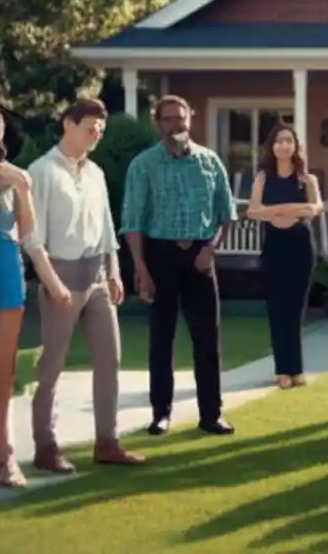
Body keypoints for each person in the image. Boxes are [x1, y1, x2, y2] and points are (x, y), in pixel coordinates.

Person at [24, 99, 146, 474]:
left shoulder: (94, 173)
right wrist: (53, 285)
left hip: (96, 277)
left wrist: (114, 272)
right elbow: (32, 238)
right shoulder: (41, 172)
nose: (96, 134)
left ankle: (107, 442)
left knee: (110, 360)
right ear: (68, 124)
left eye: (101, 130)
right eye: (91, 127)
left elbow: (106, 226)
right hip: (60, 277)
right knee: (52, 367)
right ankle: (46, 447)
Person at [121, 94, 237, 437]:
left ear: (191, 119)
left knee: (207, 340)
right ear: (158, 123)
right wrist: (141, 269)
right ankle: (160, 413)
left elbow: (226, 215)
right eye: (169, 118)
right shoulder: (144, 165)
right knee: (161, 339)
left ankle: (211, 414)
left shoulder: (209, 161)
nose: (177, 124)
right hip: (160, 257)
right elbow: (133, 221)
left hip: (200, 258)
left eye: (181, 118)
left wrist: (211, 249)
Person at [246, 123, 323, 391]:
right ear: (272, 146)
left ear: (295, 146)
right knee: (277, 309)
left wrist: (276, 211)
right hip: (274, 247)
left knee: (296, 309)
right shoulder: (263, 178)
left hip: (300, 247)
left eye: (289, 141)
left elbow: (315, 208)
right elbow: (253, 212)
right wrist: (290, 209)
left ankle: (297, 368)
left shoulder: (307, 179)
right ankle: (282, 370)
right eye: (279, 141)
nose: (284, 146)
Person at [0, 108, 34, 487]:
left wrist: (21, 187)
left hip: (5, 263)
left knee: (3, 370)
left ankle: (5, 454)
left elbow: (28, 228)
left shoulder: (15, 174)